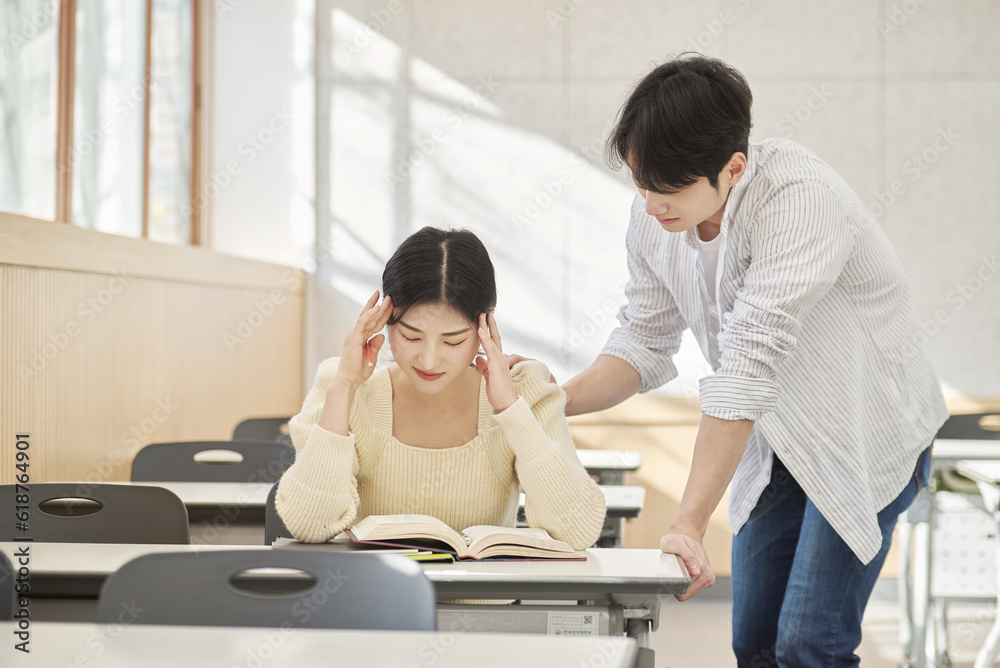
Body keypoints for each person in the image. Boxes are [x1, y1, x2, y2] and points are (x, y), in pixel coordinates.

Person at [560, 54, 948, 666]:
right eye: (641, 184)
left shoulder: (799, 199)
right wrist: (553, 401)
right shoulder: (653, 214)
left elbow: (746, 367)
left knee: (809, 642)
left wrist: (687, 522)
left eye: (670, 189)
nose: (651, 204)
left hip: (863, 434)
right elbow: (642, 340)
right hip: (774, 440)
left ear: (733, 168)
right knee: (755, 644)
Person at [276, 226, 605, 552]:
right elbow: (309, 524)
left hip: (487, 606)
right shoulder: (344, 386)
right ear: (384, 320)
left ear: (484, 329)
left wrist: (509, 408)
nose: (429, 360)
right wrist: (344, 386)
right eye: (411, 337)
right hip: (376, 603)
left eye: (454, 341)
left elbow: (575, 533)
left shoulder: (524, 390)